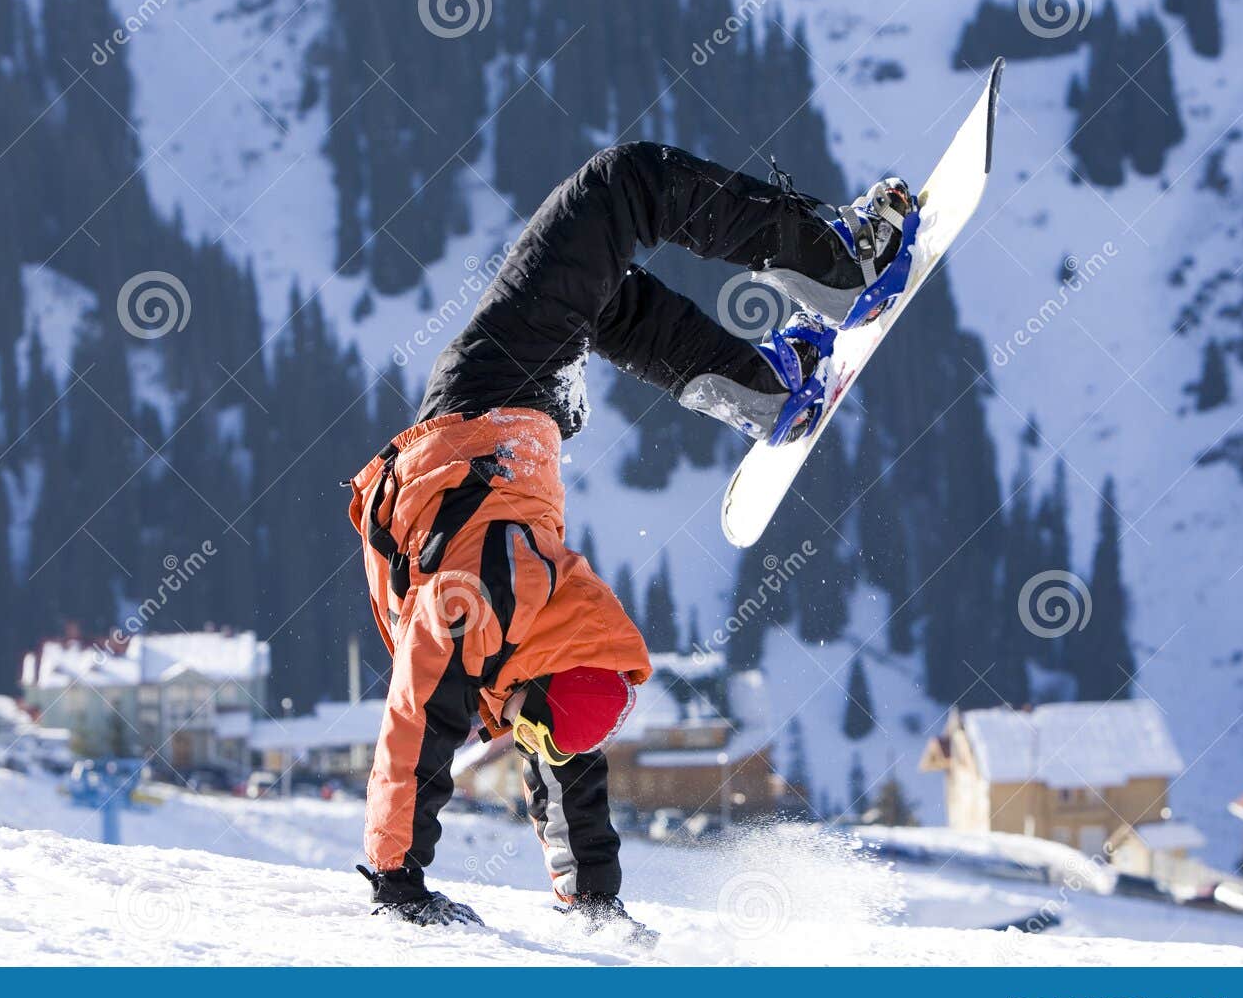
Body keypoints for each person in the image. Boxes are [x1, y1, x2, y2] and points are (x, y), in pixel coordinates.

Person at [350, 142, 912, 939]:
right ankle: (829, 286)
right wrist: (596, 907)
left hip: (484, 410)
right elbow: (564, 779)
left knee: (616, 209)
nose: (535, 737)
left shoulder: (472, 607)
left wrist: (398, 878)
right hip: (502, 414)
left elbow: (411, 728)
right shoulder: (540, 668)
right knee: (619, 204)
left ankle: (770, 376)